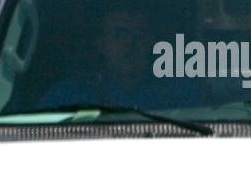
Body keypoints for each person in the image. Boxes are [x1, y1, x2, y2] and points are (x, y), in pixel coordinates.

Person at [40, 7, 185, 109]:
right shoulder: (68, 94)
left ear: (152, 42)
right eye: (119, 35)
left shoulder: (179, 91)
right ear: (101, 44)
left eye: (139, 34)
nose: (130, 43)